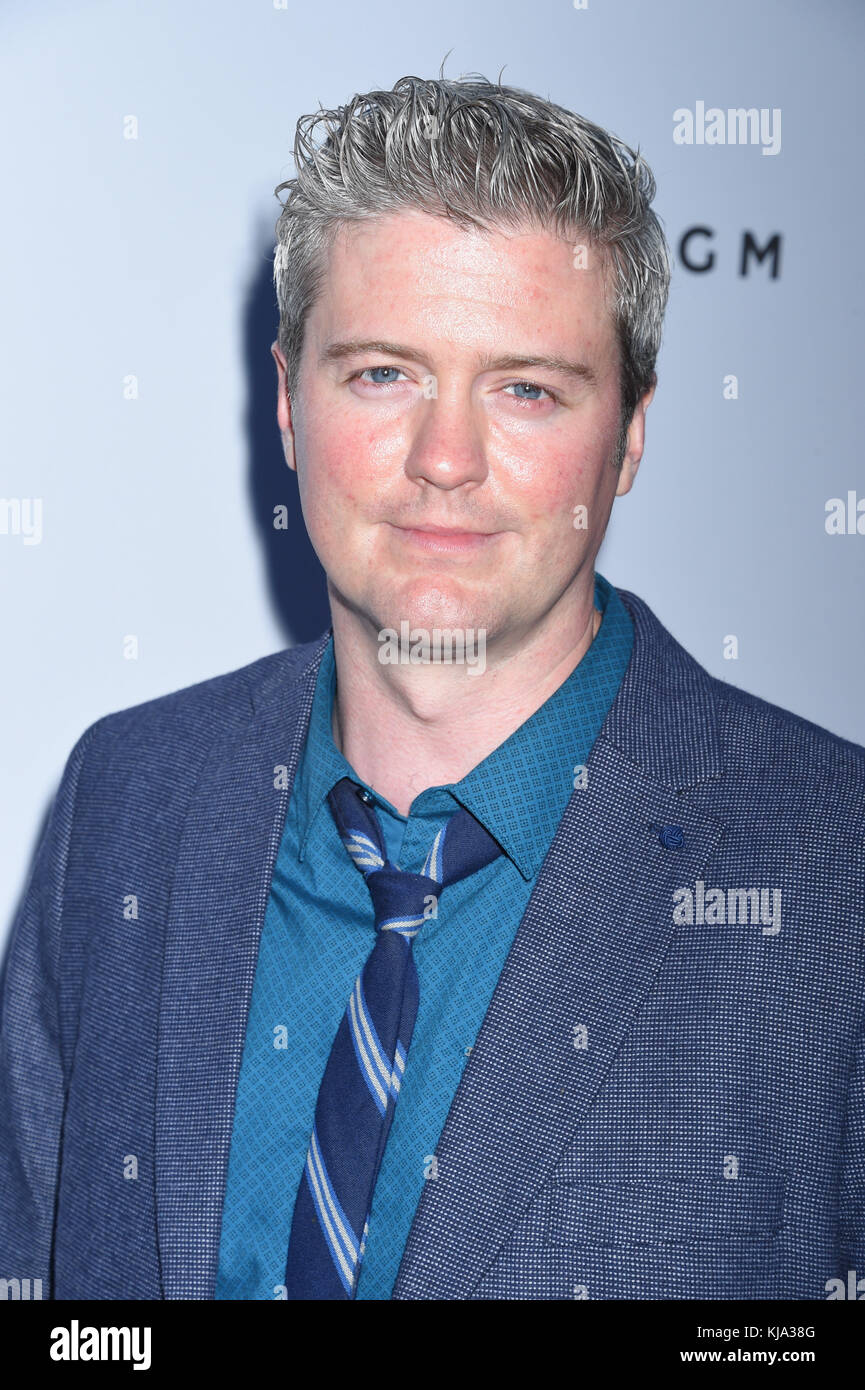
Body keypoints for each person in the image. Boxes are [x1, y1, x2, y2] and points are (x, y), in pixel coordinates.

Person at [1, 73, 863, 1302]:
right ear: (287, 404)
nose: (444, 461)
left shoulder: (837, 871)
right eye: (382, 375)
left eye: (525, 389)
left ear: (628, 436)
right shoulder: (128, 795)